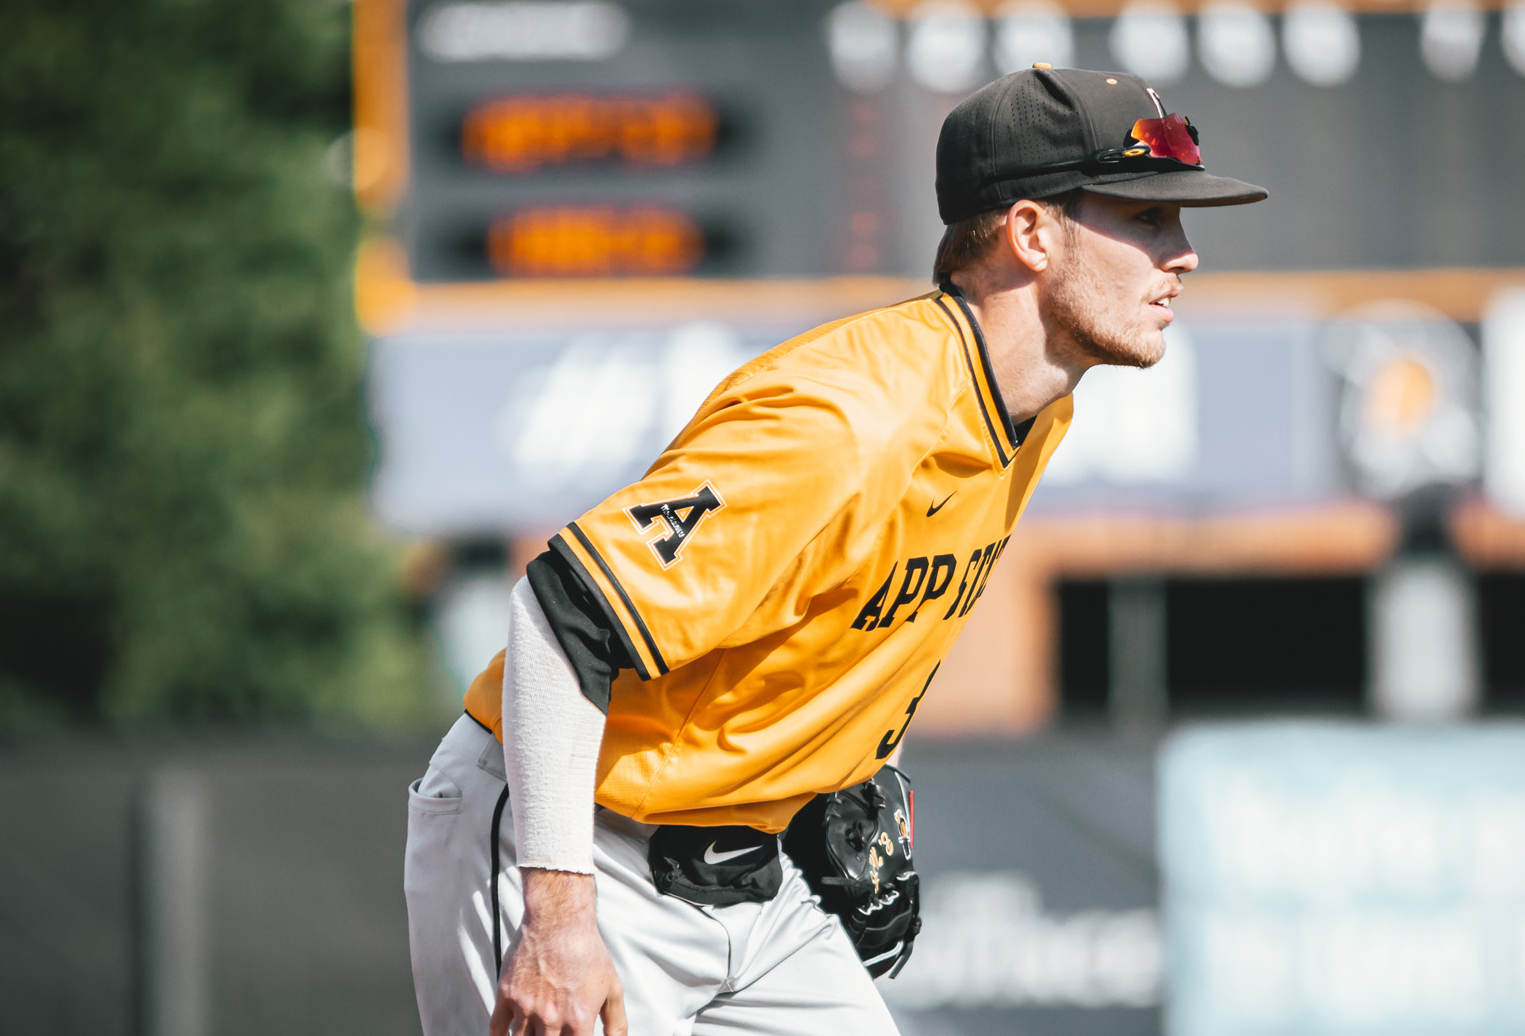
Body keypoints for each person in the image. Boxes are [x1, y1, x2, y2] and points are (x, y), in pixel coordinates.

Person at [404, 63, 1266, 1036]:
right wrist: (556, 917)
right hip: (575, 842)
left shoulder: (1033, 410)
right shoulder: (846, 418)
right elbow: (558, 622)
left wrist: (850, 778)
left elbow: (848, 610)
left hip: (752, 883)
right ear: (1030, 233)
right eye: (1147, 220)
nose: (1182, 255)